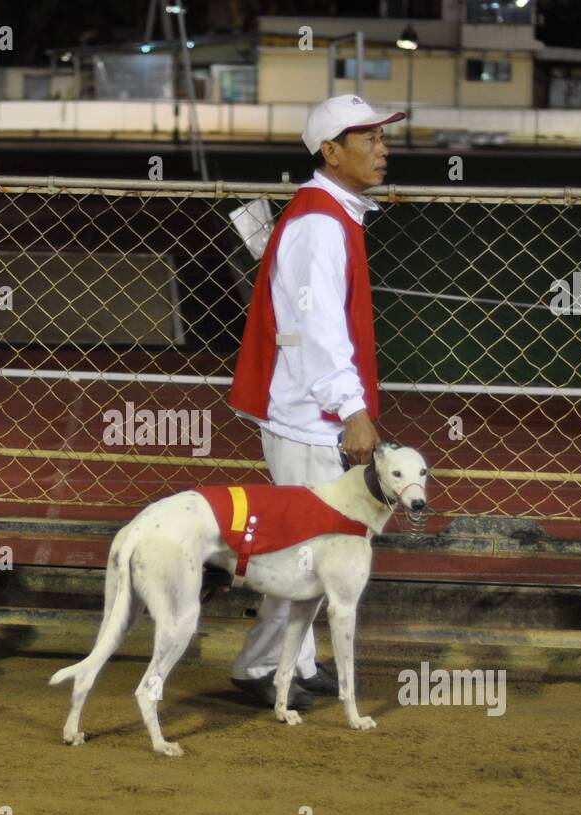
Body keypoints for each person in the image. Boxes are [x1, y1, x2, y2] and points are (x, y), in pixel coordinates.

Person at [225, 95, 403, 709]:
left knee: (312, 550)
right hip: (308, 416)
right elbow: (315, 330)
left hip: (306, 411)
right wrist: (350, 409)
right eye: (369, 138)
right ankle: (259, 668)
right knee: (310, 553)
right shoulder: (320, 224)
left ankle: (291, 664)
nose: (383, 148)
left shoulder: (328, 215)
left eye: (382, 137)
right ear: (331, 151)